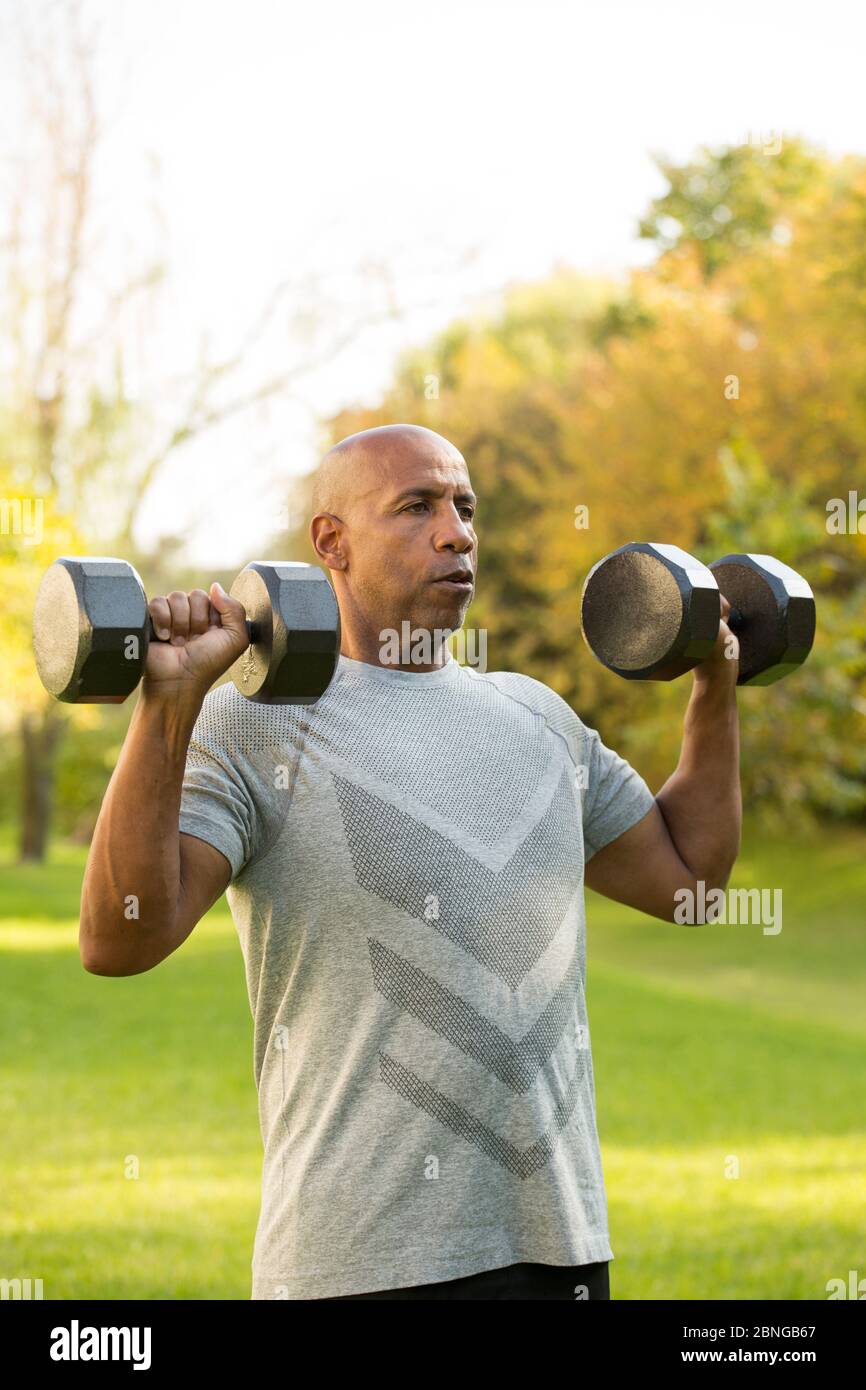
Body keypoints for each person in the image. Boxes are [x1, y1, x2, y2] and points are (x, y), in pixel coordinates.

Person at [79, 423, 741, 1300]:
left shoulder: (535, 718)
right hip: (358, 1263)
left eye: (466, 509)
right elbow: (121, 940)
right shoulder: (255, 721)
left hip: (558, 1250)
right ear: (331, 542)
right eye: (418, 507)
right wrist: (167, 703)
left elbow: (690, 881)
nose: (457, 532)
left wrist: (715, 685)